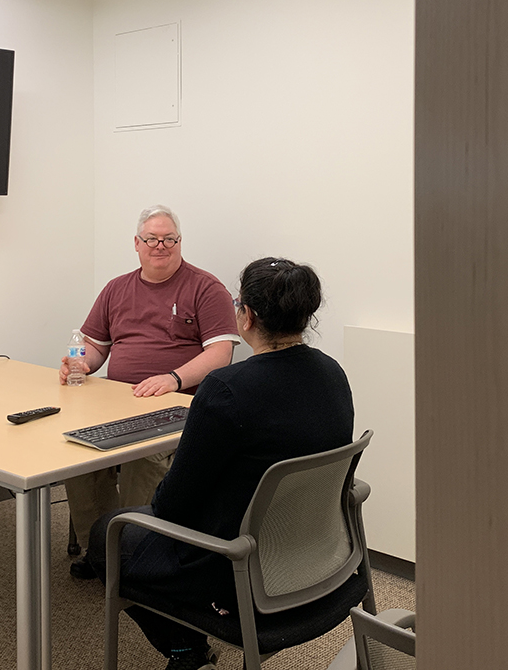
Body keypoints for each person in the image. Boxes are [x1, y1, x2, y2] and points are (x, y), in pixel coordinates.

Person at [88, 257, 355, 670]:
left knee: (108, 532)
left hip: (237, 567)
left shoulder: (227, 389)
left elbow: (172, 507)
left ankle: (185, 648)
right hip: (322, 554)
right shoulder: (333, 373)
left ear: (245, 316)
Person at [61, 205, 239, 578]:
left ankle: (138, 553)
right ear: (137, 244)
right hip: (113, 401)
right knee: (75, 456)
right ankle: (101, 551)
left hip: (177, 407)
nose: (161, 245)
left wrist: (173, 379)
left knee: (144, 461)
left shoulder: (206, 288)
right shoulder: (116, 289)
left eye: (169, 239)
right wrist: (82, 365)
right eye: (152, 239)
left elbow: (220, 353)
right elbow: (95, 346)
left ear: (179, 242)